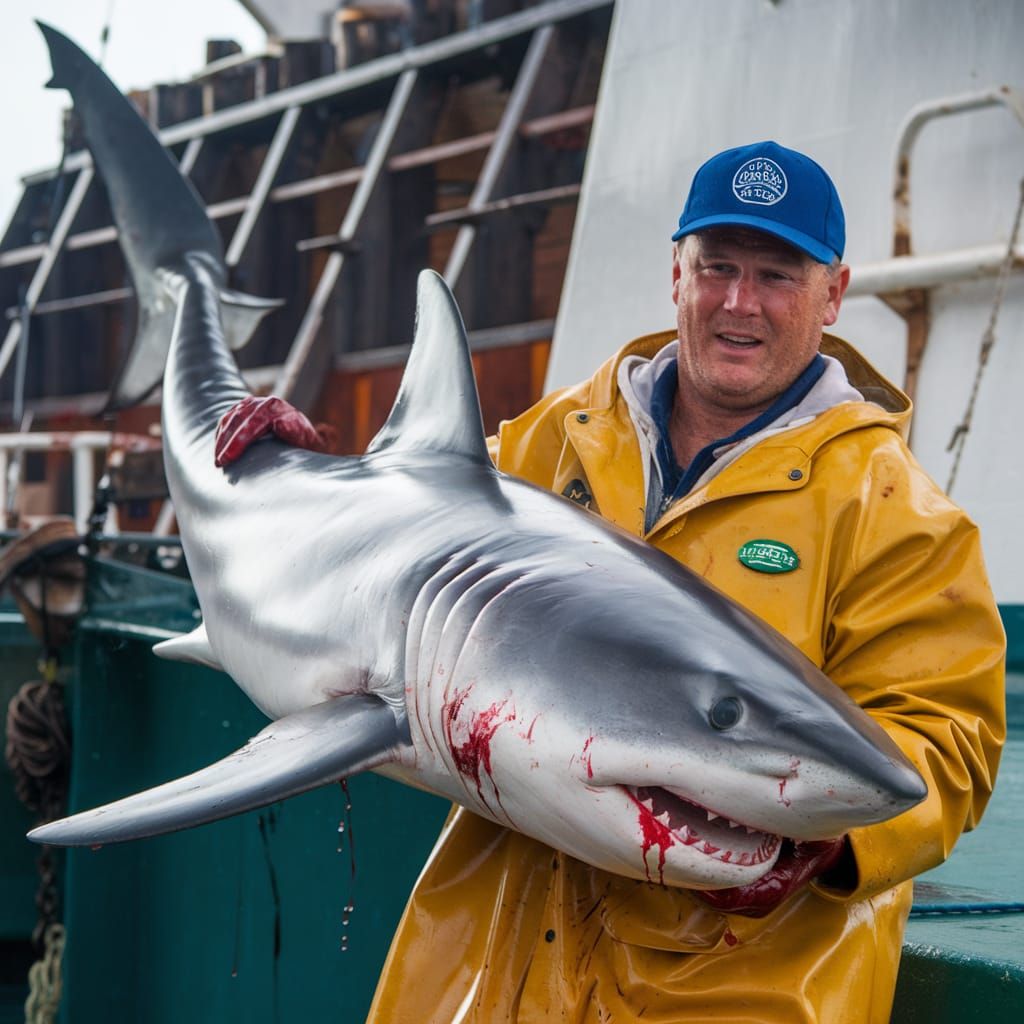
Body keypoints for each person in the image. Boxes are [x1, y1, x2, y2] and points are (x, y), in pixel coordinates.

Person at [215, 141, 1006, 1023]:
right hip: (485, 970)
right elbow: (407, 542)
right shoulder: (557, 439)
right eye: (718, 268)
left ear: (834, 291)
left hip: (730, 988)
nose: (740, 303)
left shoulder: (898, 514)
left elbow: (951, 740)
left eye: (779, 275)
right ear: (677, 273)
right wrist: (312, 465)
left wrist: (840, 840)